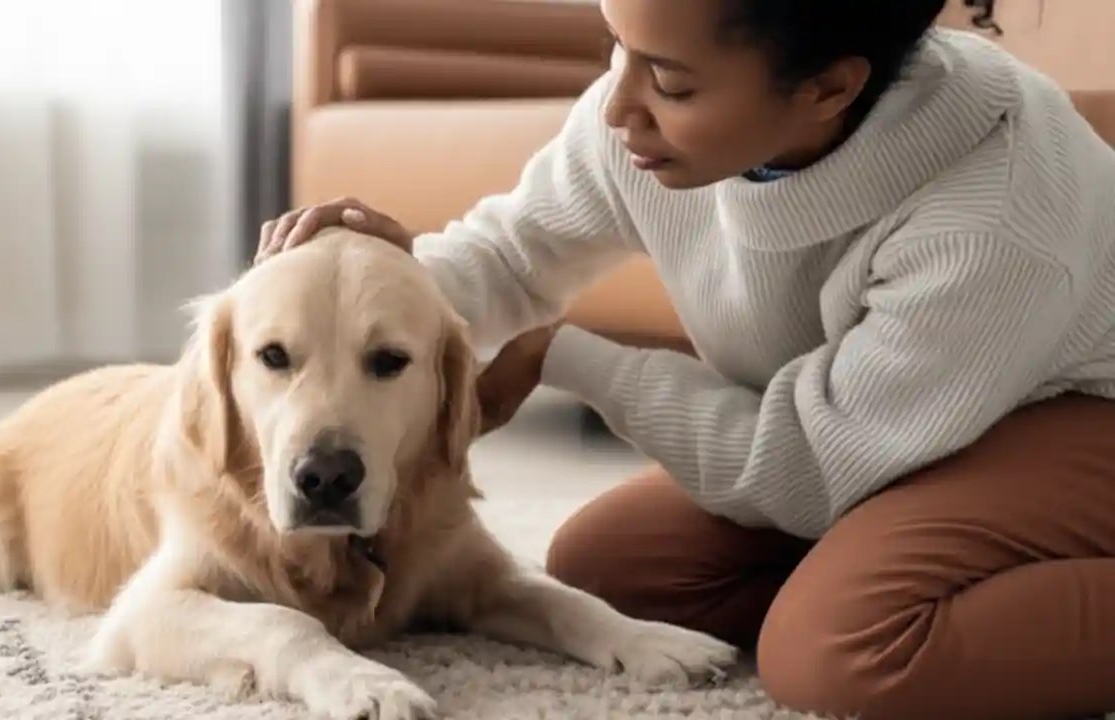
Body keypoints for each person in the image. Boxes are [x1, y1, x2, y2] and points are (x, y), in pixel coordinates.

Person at [256, 0, 1115, 717]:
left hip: (1072, 415)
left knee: (839, 652)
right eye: (617, 49)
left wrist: (575, 360)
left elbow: (811, 469)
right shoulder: (636, 124)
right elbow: (513, 257)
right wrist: (389, 279)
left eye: (668, 80)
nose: (618, 105)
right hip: (885, 431)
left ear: (828, 88)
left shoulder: (994, 212)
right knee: (612, 570)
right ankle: (894, 564)